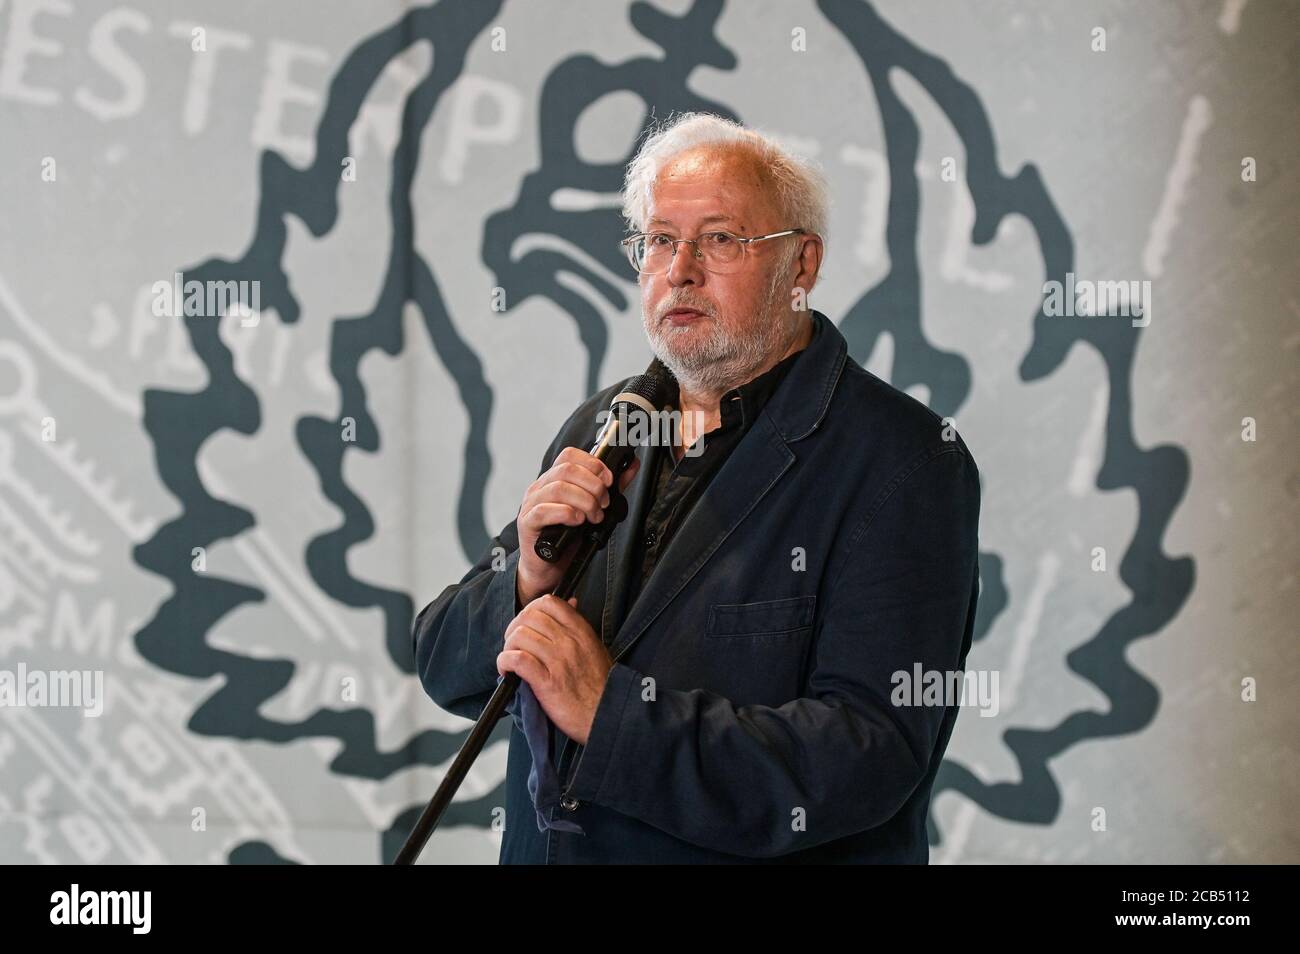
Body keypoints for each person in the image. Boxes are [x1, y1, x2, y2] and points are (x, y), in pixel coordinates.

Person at [414, 112, 981, 863]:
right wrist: (524, 579)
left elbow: (868, 756)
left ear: (801, 265)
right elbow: (445, 666)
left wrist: (612, 715)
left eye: (720, 239)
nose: (680, 269)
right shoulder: (607, 424)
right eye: (658, 240)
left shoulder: (904, 461)